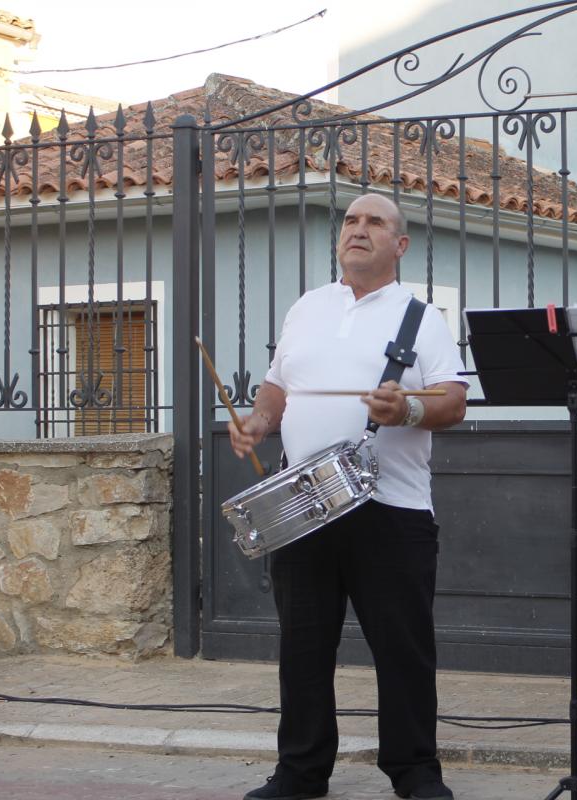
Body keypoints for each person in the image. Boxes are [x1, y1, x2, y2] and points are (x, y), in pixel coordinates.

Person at [229, 193, 468, 800]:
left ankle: (415, 772)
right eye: (351, 221)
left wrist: (407, 407)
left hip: (391, 510)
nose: (359, 230)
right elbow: (279, 385)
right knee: (303, 647)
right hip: (304, 506)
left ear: (400, 245)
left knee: (403, 649)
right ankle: (301, 772)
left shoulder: (421, 317)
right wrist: (257, 421)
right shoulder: (308, 307)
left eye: (375, 223)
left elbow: (452, 400)